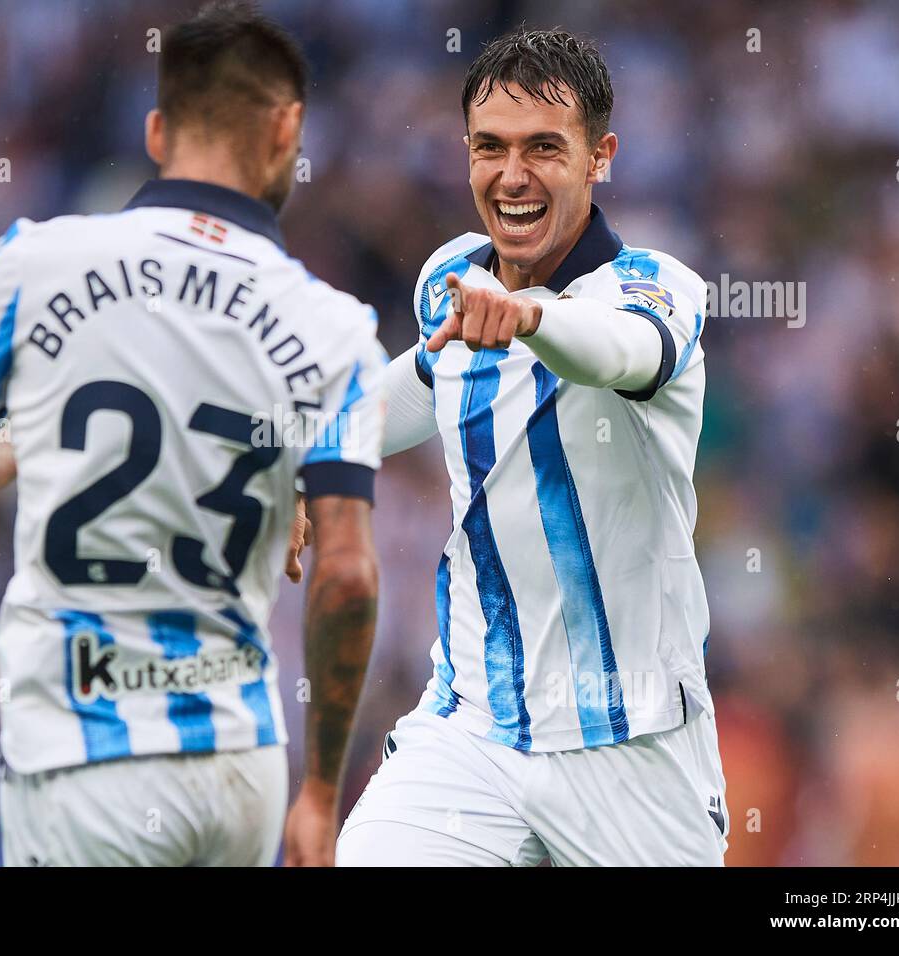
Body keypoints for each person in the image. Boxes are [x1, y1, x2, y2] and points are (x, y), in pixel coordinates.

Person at [0, 0, 385, 867]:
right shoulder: (335, 326)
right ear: (288, 132)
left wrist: (30, 441)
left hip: (86, 757)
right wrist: (320, 790)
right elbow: (345, 577)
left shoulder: (31, 262)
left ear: (158, 131)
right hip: (240, 763)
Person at [333, 26, 728, 866]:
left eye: (544, 148)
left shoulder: (658, 291)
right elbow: (425, 380)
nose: (512, 176)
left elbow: (621, 352)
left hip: (632, 741)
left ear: (601, 157)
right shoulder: (454, 279)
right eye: (491, 148)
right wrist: (320, 462)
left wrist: (532, 318)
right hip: (473, 726)